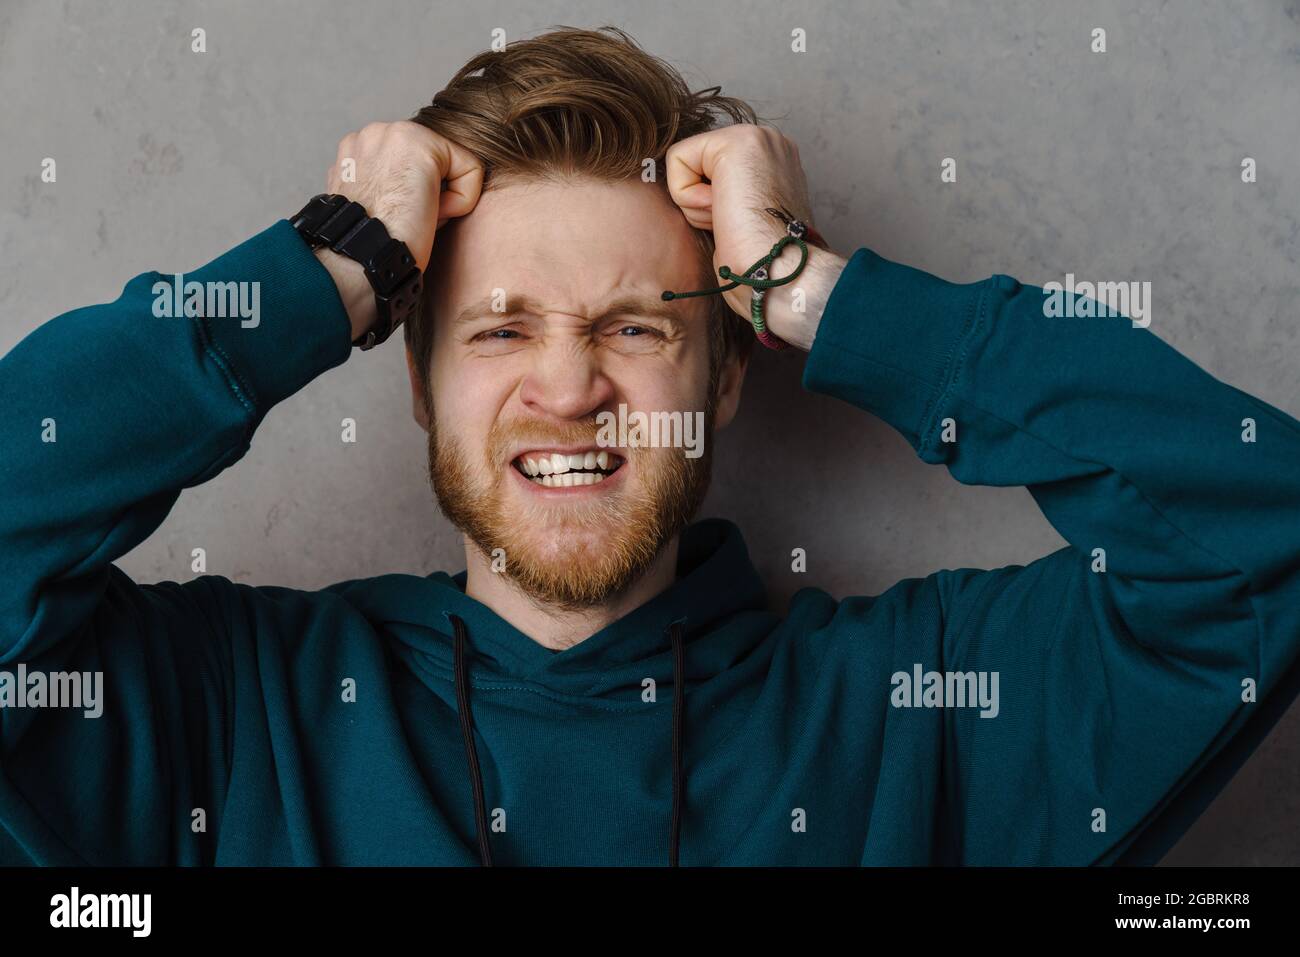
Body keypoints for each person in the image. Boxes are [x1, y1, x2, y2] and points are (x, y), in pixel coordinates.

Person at [1, 26, 1297, 867]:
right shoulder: (232, 713)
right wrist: (319, 276)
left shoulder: (923, 715)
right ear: (416, 379)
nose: (569, 387)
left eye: (634, 324)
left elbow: (1260, 535)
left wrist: (822, 295)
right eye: (501, 329)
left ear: (730, 374)